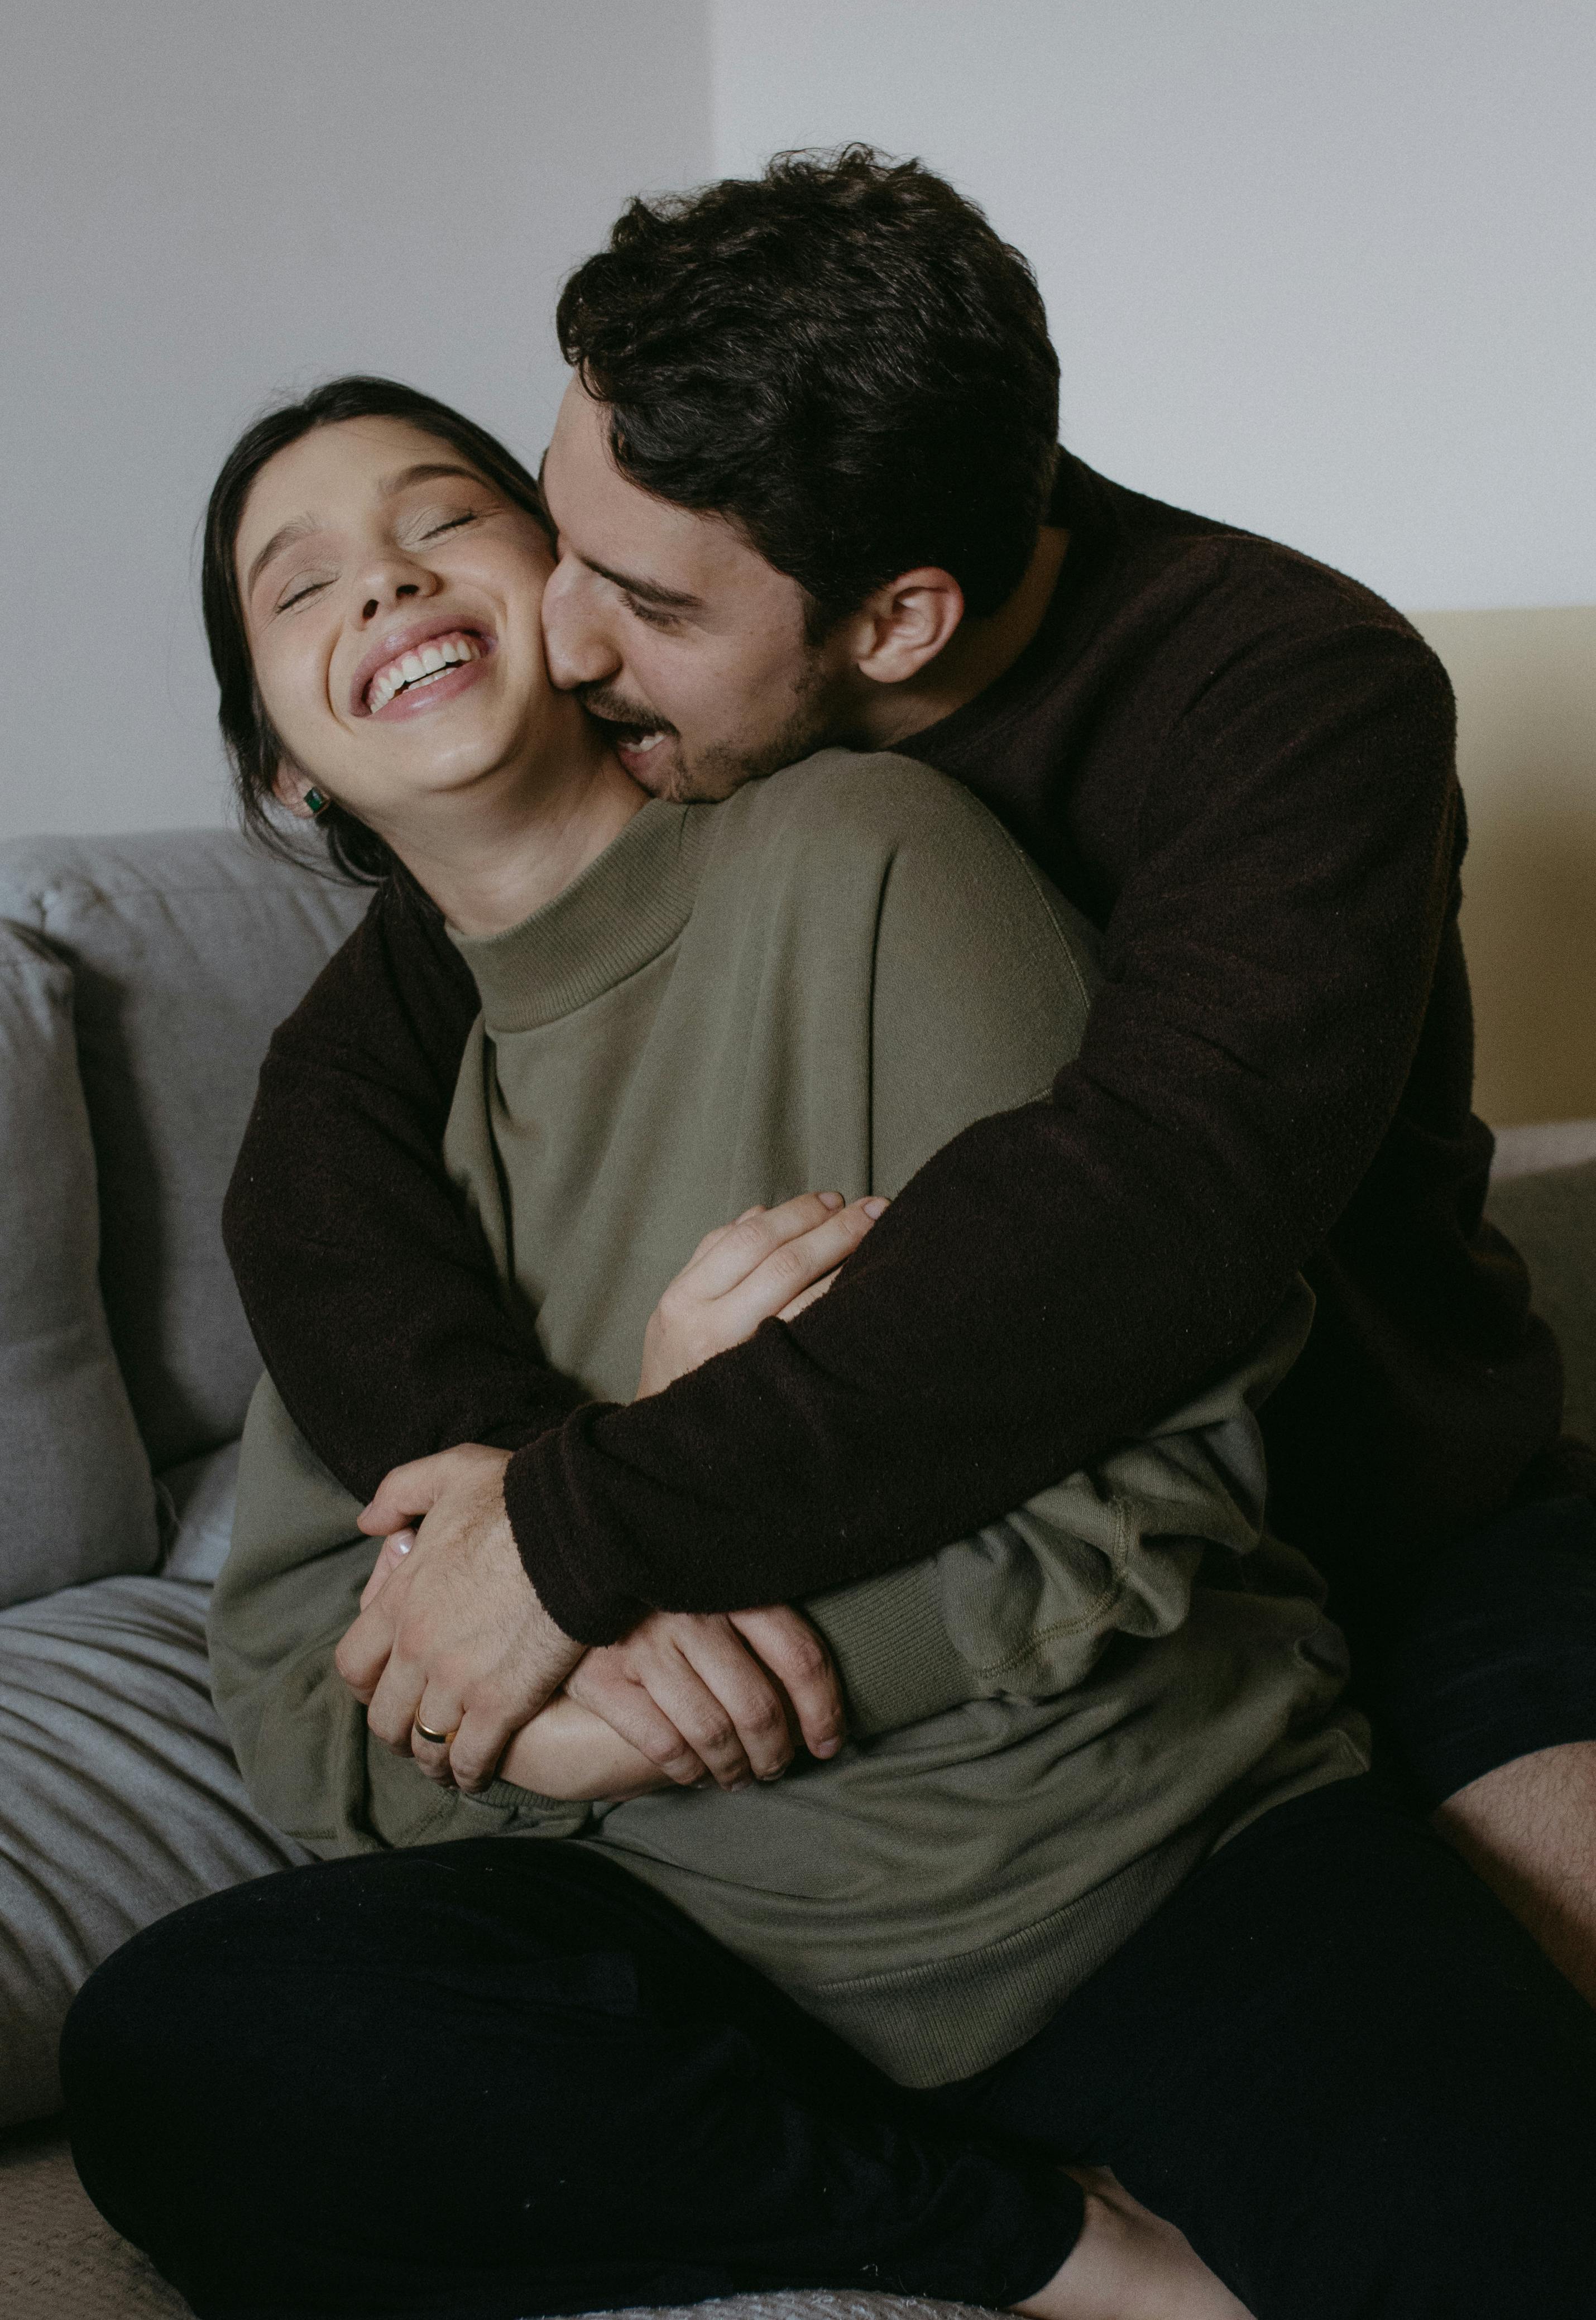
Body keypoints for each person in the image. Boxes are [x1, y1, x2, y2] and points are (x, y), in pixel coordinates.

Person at [62, 380, 1596, 2320]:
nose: (380, 585)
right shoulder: (370, 1135)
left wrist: (649, 1627)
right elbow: (295, 1666)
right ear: (282, 771)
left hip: (1109, 1856)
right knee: (193, 2053)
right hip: (681, 1931)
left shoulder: (865, 856)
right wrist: (567, 1712)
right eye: (299, 588)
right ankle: (1053, 2251)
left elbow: (1148, 1466)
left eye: (442, 520)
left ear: (578, 593)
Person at [220, 146, 1596, 1997]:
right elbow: (329, 1129)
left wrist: (571, 1533)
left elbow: (1140, 1208)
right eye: (569, 543)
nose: (561, 639)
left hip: (1380, 1522)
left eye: (641, 603)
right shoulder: (667, 708)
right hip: (933, 1585)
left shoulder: (1288, 695)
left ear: (897, 626)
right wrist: (503, 1484)